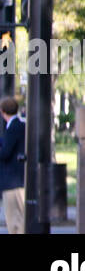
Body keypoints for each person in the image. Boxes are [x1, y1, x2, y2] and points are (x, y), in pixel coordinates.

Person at [0, 97, 25, 234]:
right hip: (20, 180)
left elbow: (5, 153)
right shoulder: (20, 125)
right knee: (20, 218)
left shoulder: (12, 128)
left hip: (12, 182)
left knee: (14, 220)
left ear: (2, 111)